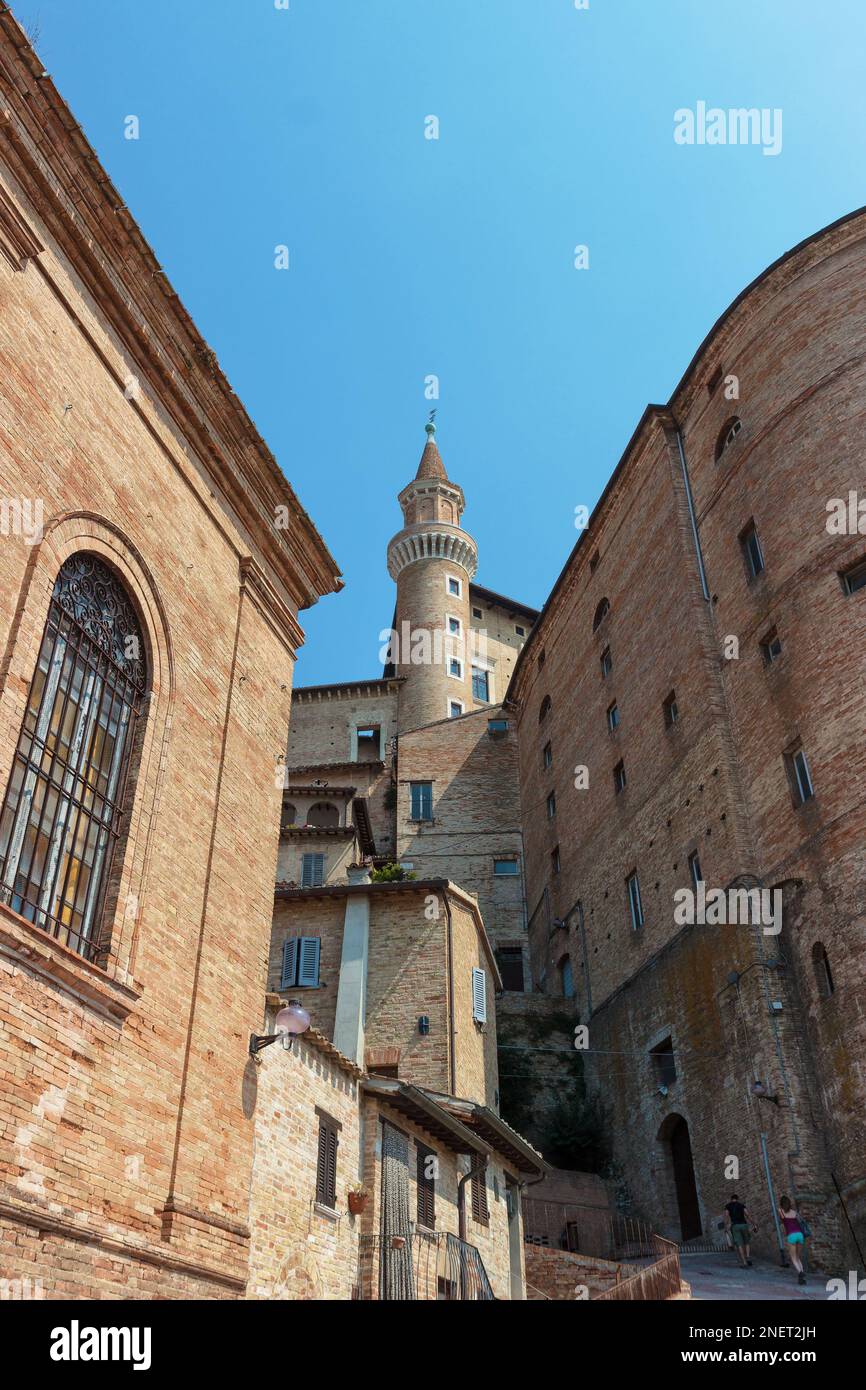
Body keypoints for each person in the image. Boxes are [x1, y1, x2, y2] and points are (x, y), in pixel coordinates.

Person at [778, 1195, 807, 1285]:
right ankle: (802, 1275)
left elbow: (782, 1220)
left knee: (793, 1257)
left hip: (791, 1235)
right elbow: (799, 1221)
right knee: (798, 1257)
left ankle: (800, 1272)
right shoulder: (794, 1212)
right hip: (800, 1235)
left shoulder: (780, 1211)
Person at [724, 1193, 757, 1267]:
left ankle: (744, 1262)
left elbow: (726, 1216)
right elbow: (748, 1215)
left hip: (735, 1226)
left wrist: (726, 1226)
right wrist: (754, 1223)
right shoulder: (741, 1205)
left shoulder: (728, 1206)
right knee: (747, 1242)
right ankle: (748, 1257)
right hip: (744, 1225)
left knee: (739, 1244)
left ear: (731, 1199)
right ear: (737, 1199)